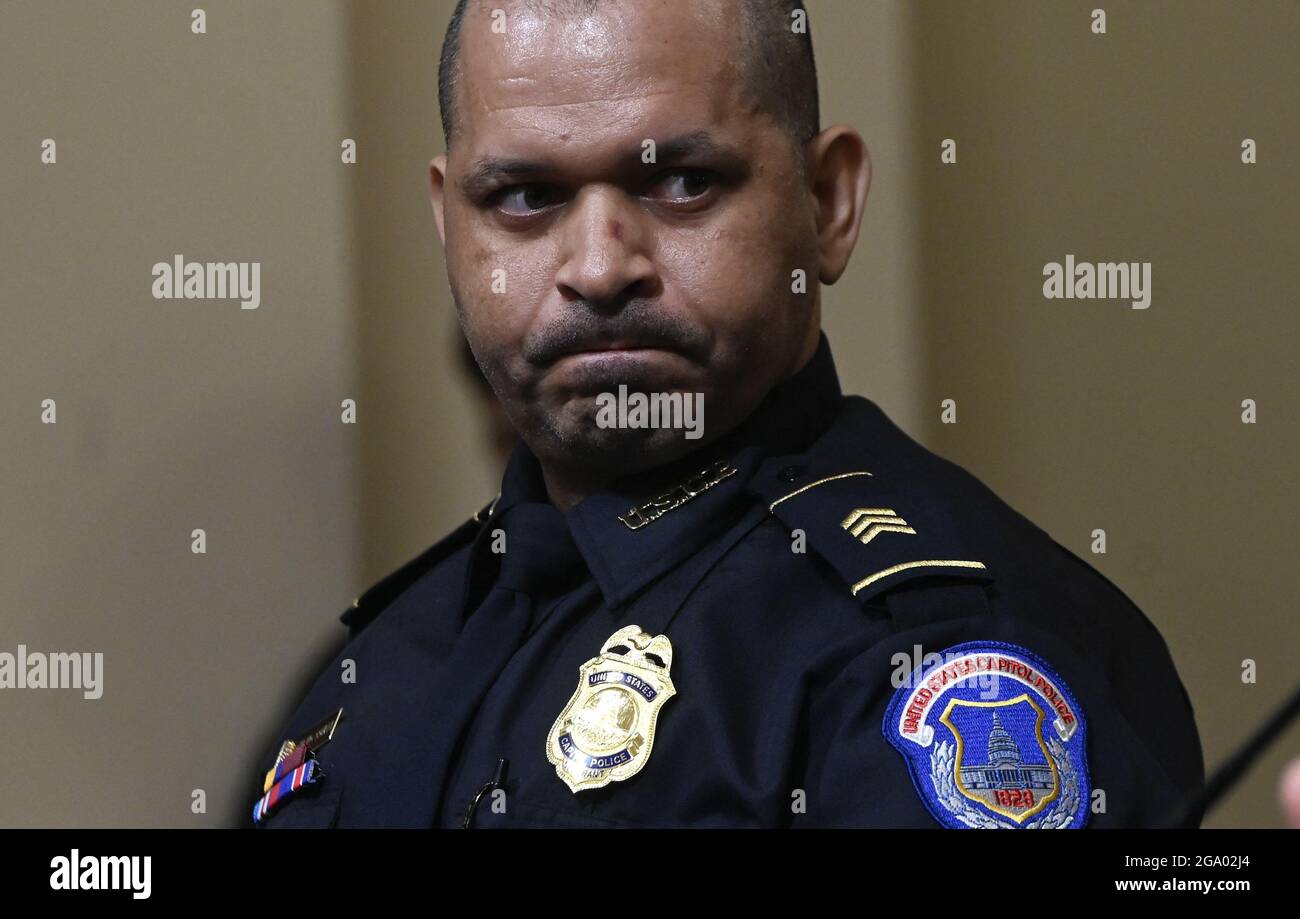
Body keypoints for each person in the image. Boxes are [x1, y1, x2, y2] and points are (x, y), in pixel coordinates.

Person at [251, 0, 1203, 828]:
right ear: (448, 225)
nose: (597, 265)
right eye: (525, 197)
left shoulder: (946, 662)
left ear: (828, 204)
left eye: (681, 181)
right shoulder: (385, 656)